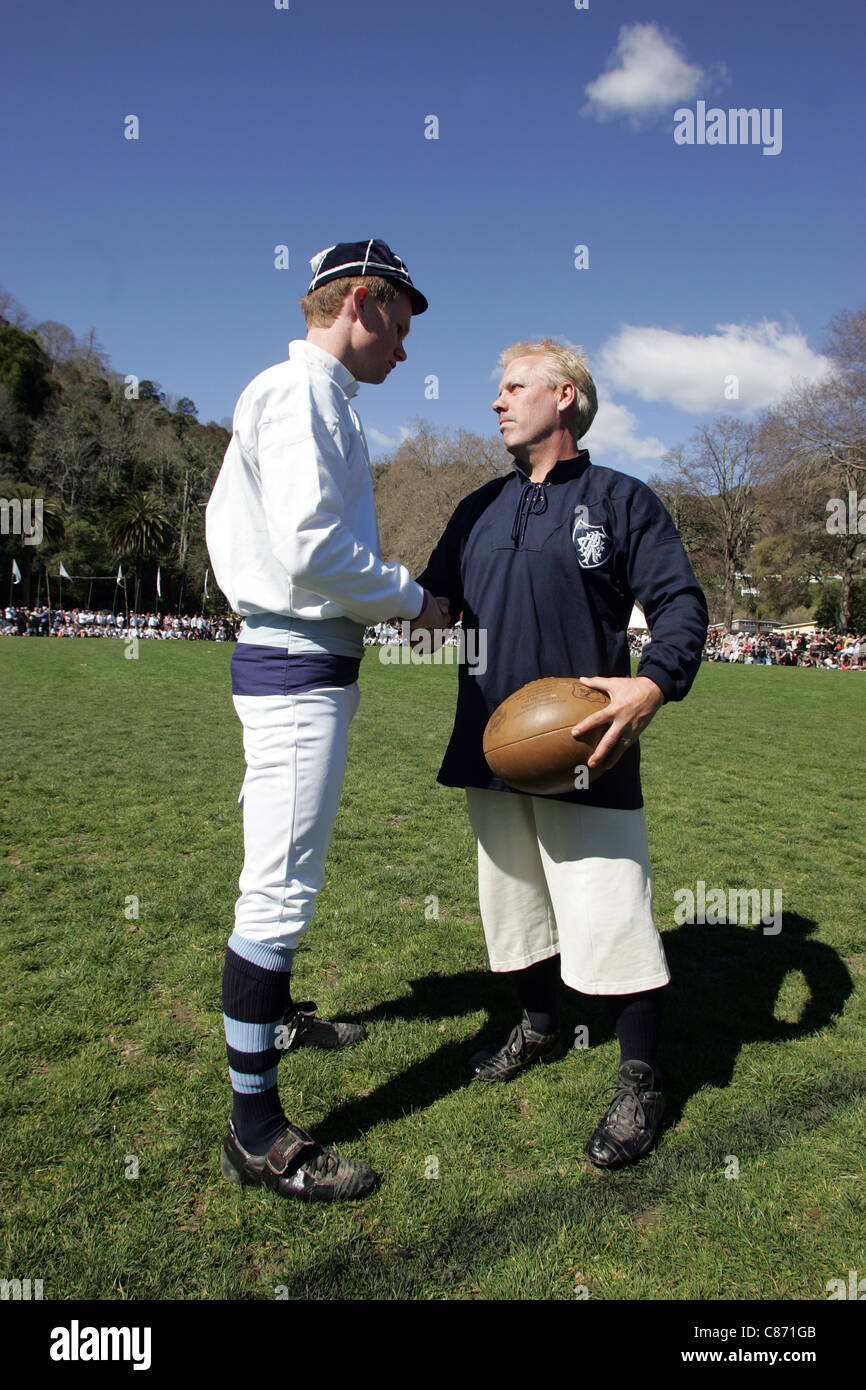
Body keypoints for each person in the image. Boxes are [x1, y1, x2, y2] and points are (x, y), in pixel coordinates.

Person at [416, 339, 708, 1167]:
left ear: (567, 398)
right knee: (514, 914)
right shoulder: (475, 505)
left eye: (514, 386)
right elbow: (432, 604)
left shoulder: (624, 501)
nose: (498, 401)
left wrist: (651, 685)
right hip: (490, 745)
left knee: (613, 917)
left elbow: (681, 603)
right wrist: (360, 594)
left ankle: (642, 1077)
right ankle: (539, 1024)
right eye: (497, 387)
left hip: (584, 748)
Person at [205, 239, 448, 1202]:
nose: (406, 341)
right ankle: (256, 1130)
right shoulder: (297, 392)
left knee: (284, 875)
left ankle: (280, 1020)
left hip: (304, 660)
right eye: (403, 317)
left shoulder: (317, 398)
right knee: (277, 891)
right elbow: (311, 551)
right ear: (360, 301)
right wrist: (415, 601)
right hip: (296, 664)